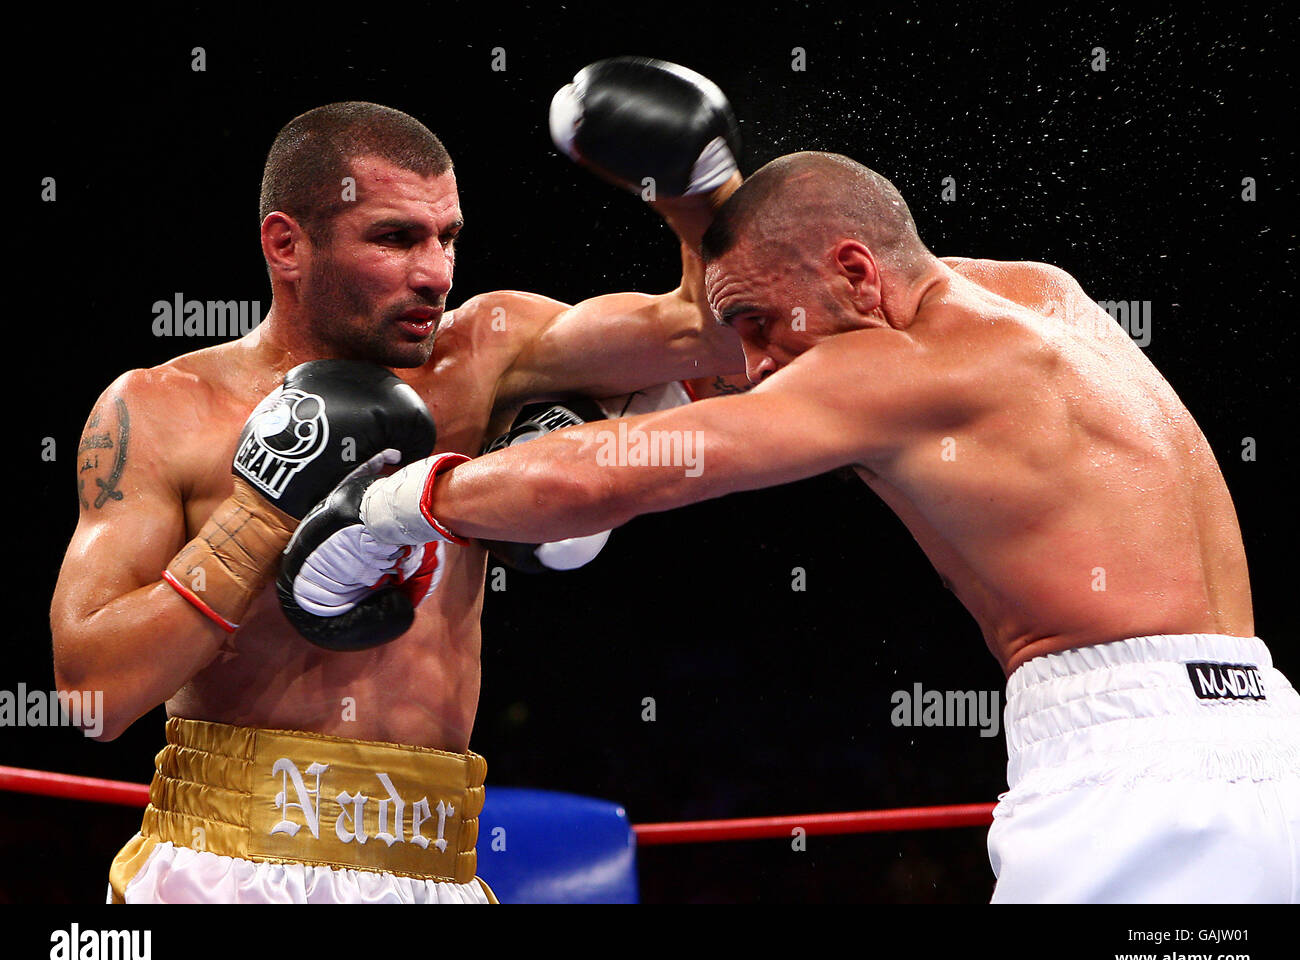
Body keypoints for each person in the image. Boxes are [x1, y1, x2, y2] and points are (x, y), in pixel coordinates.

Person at [318, 150, 1300, 902]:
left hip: (1134, 779)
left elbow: (606, 480)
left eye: (757, 326)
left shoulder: (885, 372)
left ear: (858, 275)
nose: (751, 364)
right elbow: (769, 278)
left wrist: (396, 505)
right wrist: (697, 226)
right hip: (1263, 737)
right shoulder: (1039, 296)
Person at [51, 80, 747, 904]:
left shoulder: (487, 353)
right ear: (286, 245)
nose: (435, 273)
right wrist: (263, 509)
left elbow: (718, 337)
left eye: (447, 238)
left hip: (434, 866)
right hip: (226, 864)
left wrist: (703, 197)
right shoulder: (163, 409)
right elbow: (92, 692)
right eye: (396, 238)